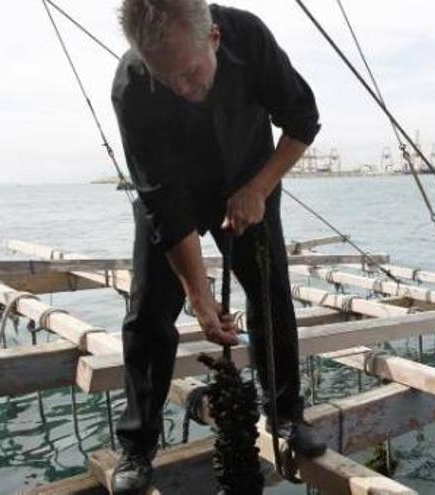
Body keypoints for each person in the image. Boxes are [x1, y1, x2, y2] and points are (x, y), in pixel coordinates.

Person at [110, 1, 325, 492]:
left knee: (270, 295)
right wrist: (199, 294)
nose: (183, 90)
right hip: (173, 195)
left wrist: (259, 188)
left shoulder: (250, 36)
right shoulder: (130, 87)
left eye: (191, 73)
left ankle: (286, 414)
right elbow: (163, 202)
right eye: (169, 80)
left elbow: (303, 121)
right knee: (147, 313)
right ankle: (137, 446)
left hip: (250, 179)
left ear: (214, 38)